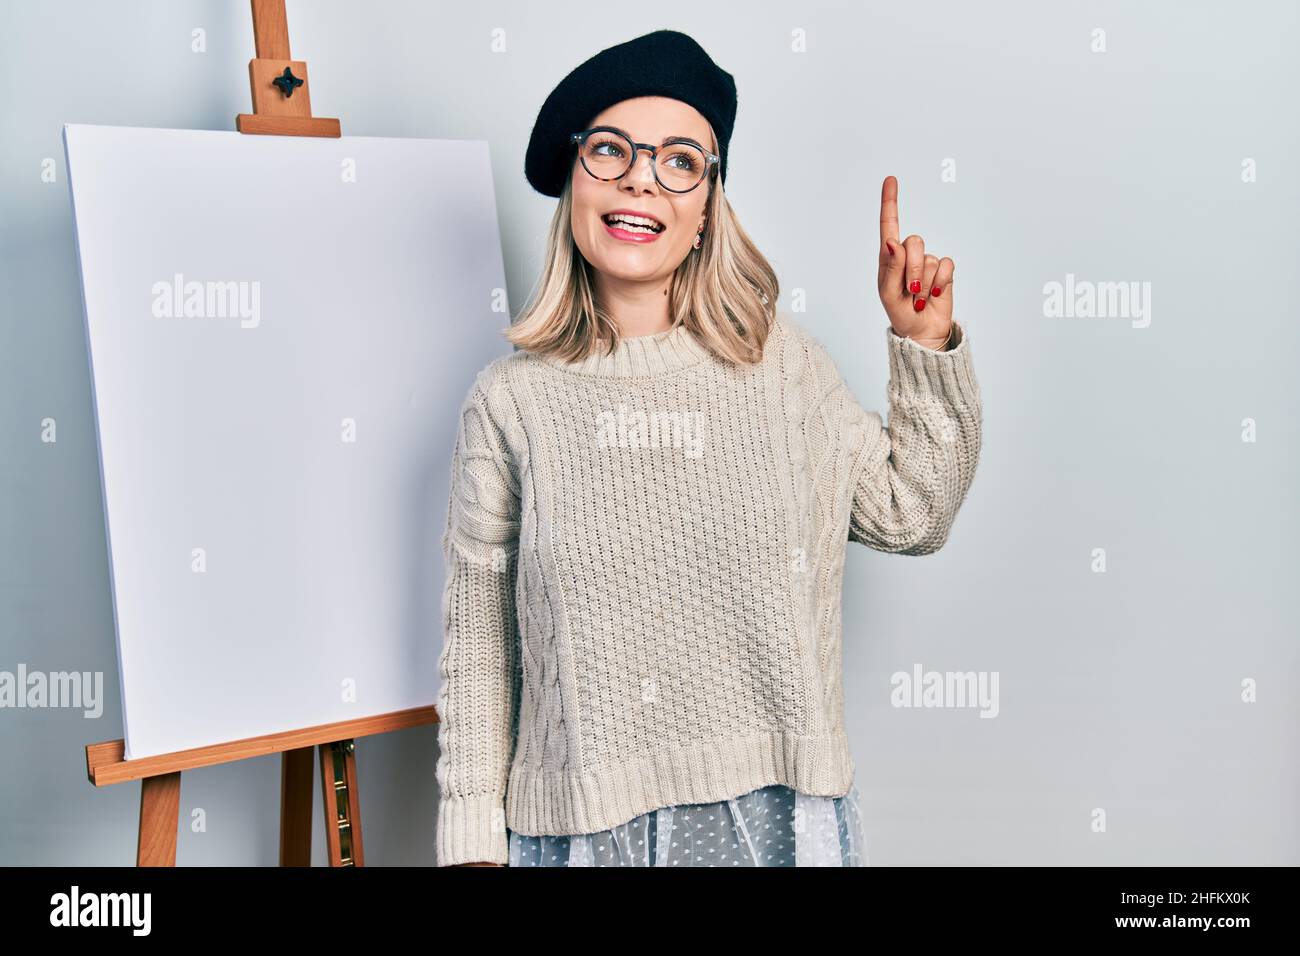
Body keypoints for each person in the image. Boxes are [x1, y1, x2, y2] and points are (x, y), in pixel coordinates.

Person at [435, 29, 982, 867]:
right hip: (580, 836)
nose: (641, 180)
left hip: (774, 828)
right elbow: (478, 642)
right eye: (611, 150)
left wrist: (922, 346)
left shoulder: (782, 369)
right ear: (575, 183)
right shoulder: (511, 405)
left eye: (679, 161)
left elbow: (916, 514)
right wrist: (471, 841)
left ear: (706, 209)